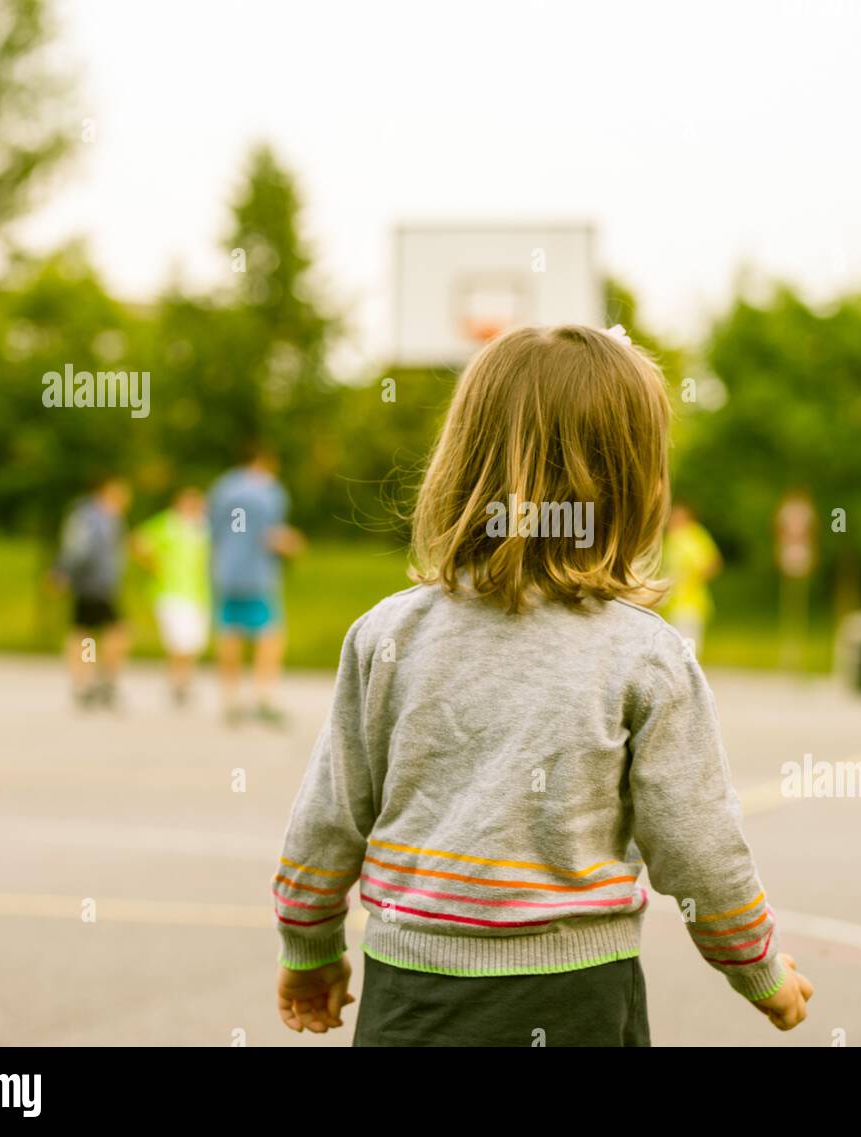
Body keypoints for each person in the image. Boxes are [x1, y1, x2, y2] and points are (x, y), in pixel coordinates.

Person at [271, 325, 813, 1046]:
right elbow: (697, 846)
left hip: (411, 998)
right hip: (576, 999)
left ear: (458, 467)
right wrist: (760, 968)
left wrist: (308, 950)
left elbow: (328, 817)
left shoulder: (388, 634)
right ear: (638, 489)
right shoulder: (644, 653)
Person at [207, 443, 304, 725]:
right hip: (259, 574)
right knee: (269, 636)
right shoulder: (269, 492)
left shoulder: (223, 488)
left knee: (230, 633)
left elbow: (212, 531)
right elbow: (270, 535)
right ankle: (263, 697)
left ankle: (231, 699)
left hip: (226, 571)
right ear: (265, 461)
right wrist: (292, 545)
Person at [49, 474, 131, 709]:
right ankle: (91, 681)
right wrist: (63, 571)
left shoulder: (111, 517)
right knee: (100, 632)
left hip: (103, 583)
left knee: (88, 633)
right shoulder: (90, 517)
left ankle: (90, 682)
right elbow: (77, 548)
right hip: (92, 583)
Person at [132, 487, 211, 706]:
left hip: (199, 593)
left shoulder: (204, 527)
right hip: (170, 591)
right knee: (179, 640)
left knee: (194, 642)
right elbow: (139, 540)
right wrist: (153, 564)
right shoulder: (167, 523)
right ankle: (176, 682)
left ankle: (184, 681)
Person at [659, 501, 723, 660]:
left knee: (687, 651)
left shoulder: (692, 536)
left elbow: (712, 563)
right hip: (673, 604)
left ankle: (687, 682)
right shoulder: (672, 540)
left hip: (689, 604)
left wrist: (689, 581)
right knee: (675, 649)